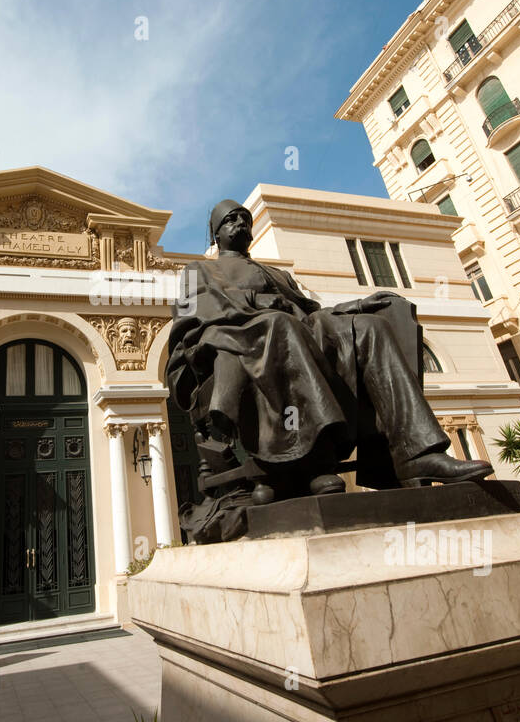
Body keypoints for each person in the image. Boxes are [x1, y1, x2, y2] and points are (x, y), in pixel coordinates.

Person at [167, 200, 491, 535]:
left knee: (370, 327)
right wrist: (261, 305)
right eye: (230, 220)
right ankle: (313, 461)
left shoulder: (277, 273)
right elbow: (196, 318)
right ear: (216, 234)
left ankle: (416, 452)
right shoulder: (198, 271)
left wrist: (357, 305)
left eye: (245, 219)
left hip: (296, 332)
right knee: (281, 326)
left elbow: (312, 311)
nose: (240, 224)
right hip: (243, 341)